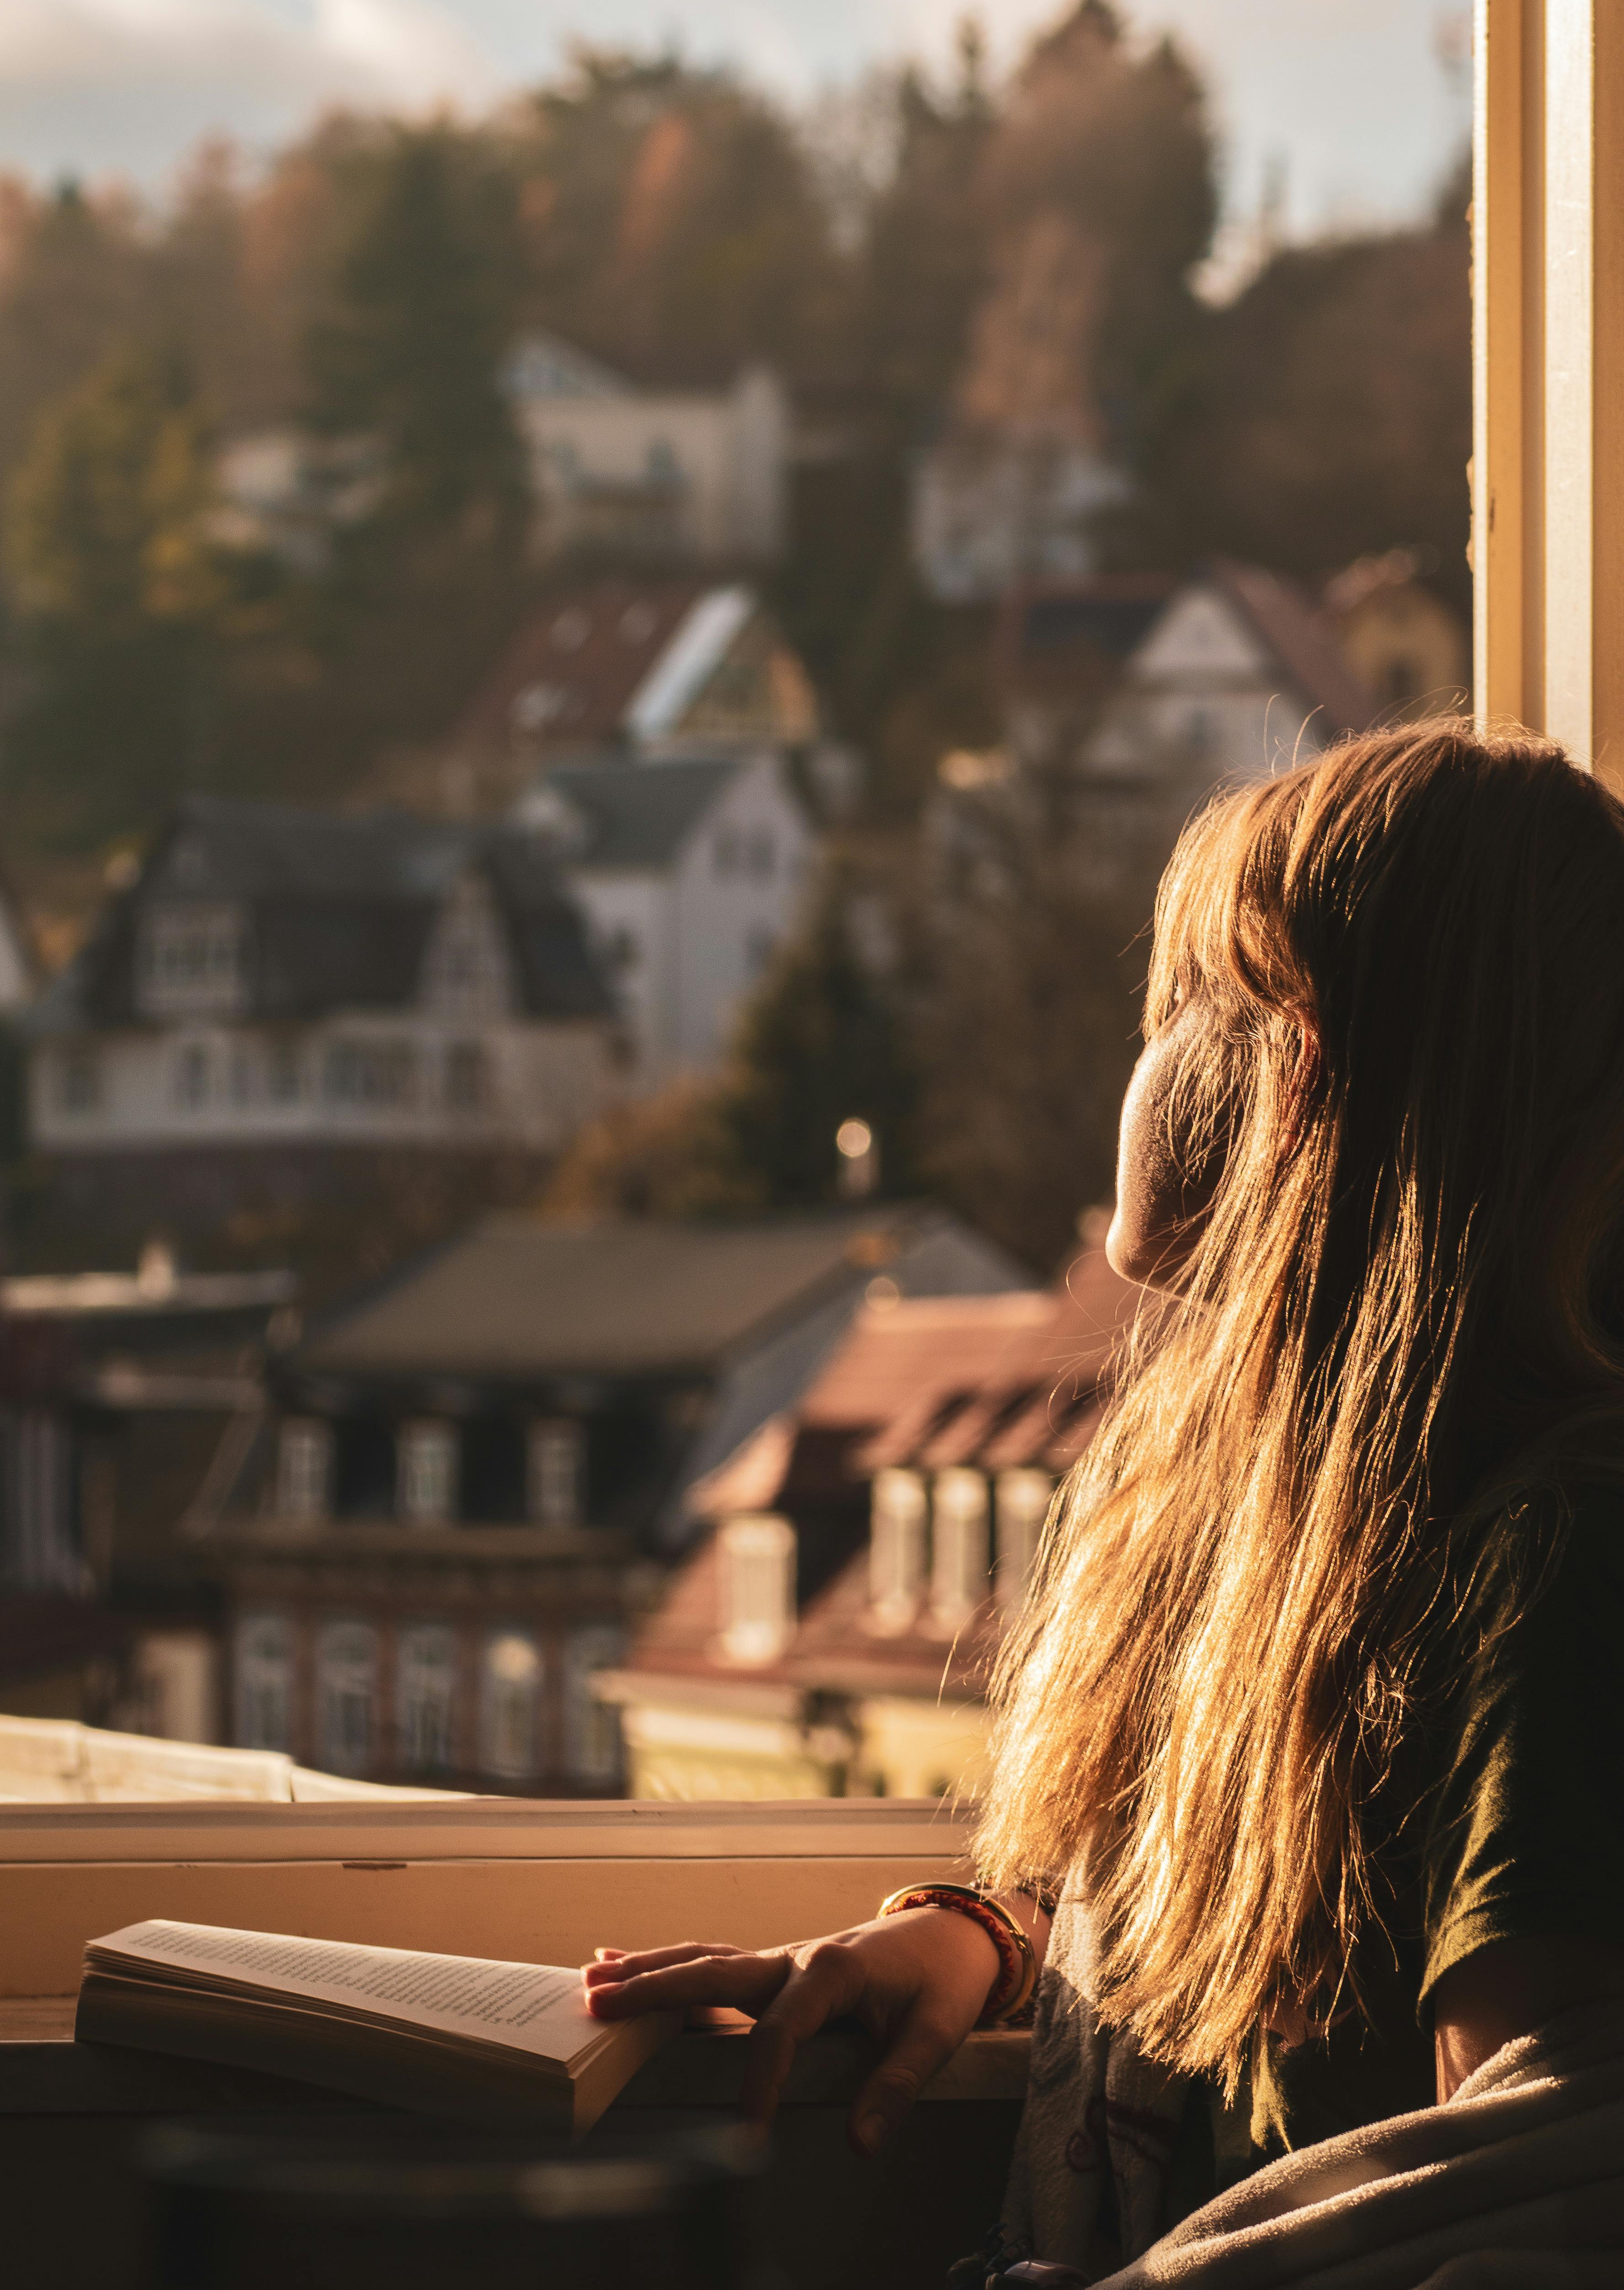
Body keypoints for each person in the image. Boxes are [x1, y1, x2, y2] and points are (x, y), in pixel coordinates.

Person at [583, 724, 1624, 2275]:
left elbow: (1480, 2219)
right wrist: (997, 1940)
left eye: (1205, 999)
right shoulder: (1285, 1525)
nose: (1151, 1062)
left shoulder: (1565, 1558)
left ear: (1320, 1073)